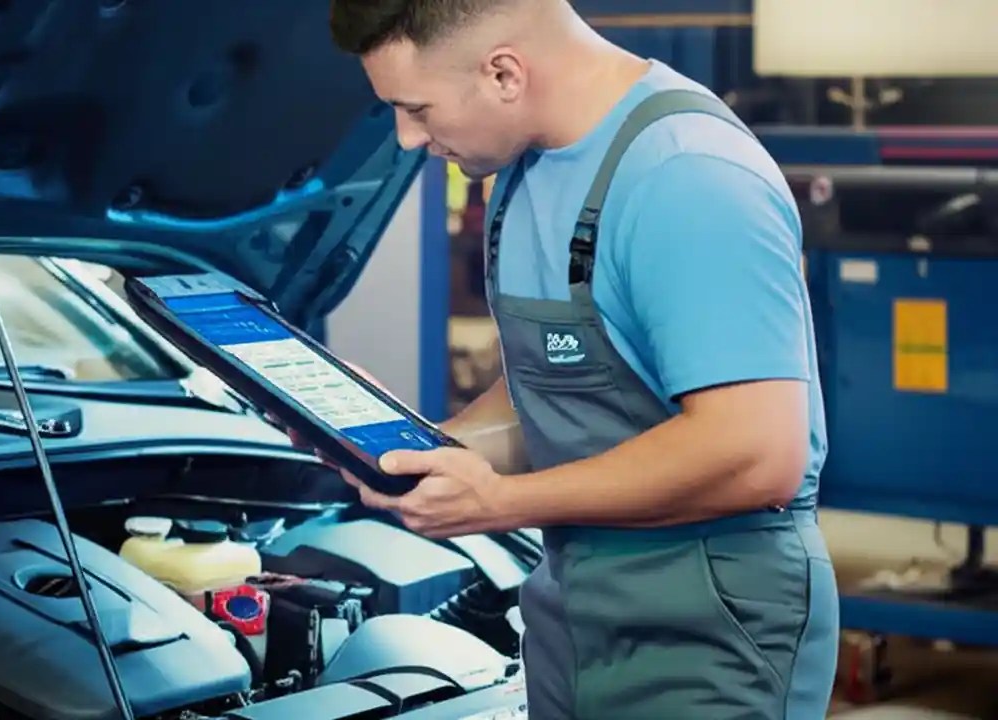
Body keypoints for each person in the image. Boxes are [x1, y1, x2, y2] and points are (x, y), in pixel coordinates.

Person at [315, 1, 841, 718]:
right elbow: (553, 390)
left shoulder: (687, 176)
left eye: (417, 108)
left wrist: (499, 505)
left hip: (711, 620)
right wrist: (413, 456)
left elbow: (756, 454)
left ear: (504, 72)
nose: (408, 140)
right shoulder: (524, 171)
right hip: (574, 607)